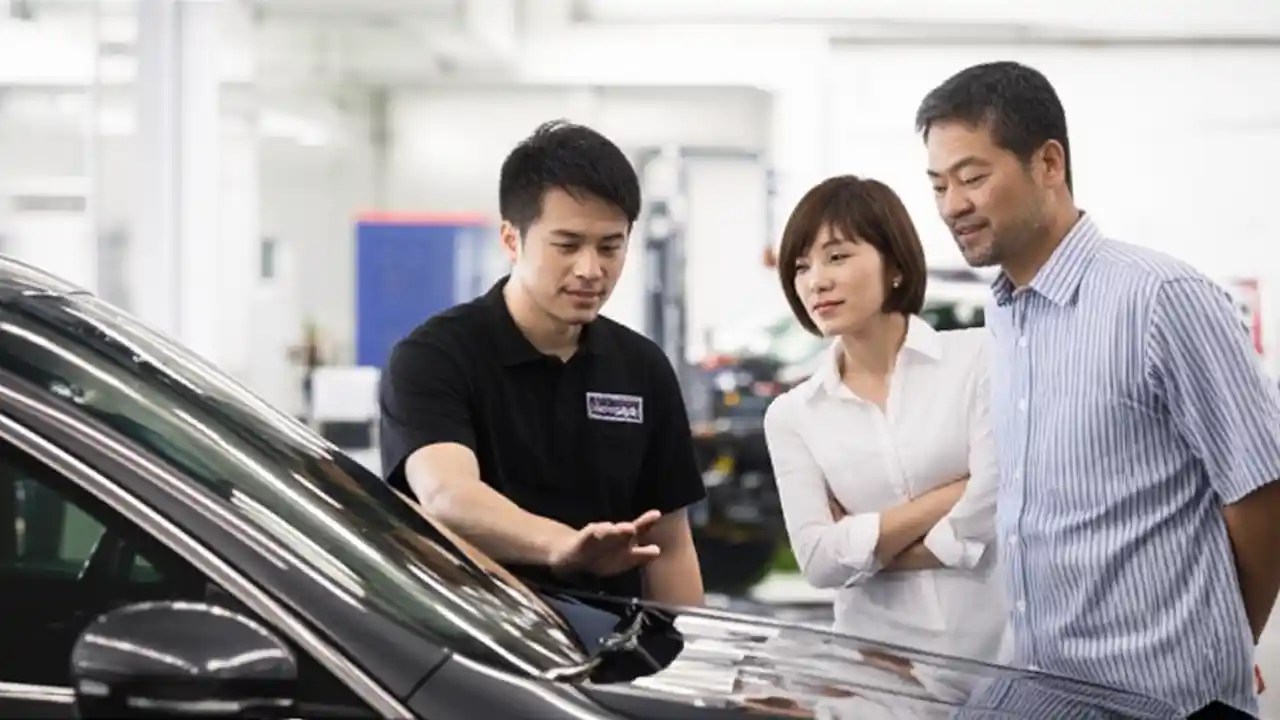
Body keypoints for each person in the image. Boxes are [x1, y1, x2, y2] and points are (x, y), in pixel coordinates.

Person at [916, 60, 1280, 718]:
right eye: (938, 185)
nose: (952, 206)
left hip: (1162, 703)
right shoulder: (1004, 312)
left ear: (1048, 163)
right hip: (1043, 683)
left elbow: (1261, 494)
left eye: (972, 177)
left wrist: (1232, 644)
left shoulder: (1161, 300)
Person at [377, 120, 706, 606]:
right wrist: (564, 547)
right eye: (567, 245)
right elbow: (449, 496)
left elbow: (671, 547)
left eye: (610, 247)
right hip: (481, 653)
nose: (591, 270)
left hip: (613, 658)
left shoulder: (642, 369)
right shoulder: (435, 357)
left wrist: (693, 664)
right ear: (512, 240)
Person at [761, 175, 1008, 665]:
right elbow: (818, 561)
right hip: (876, 671)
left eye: (837, 256)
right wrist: (950, 496)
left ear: (894, 263)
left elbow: (1000, 495)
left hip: (1000, 661)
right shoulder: (793, 415)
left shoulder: (980, 357)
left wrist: (869, 549)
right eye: (801, 266)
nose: (817, 280)